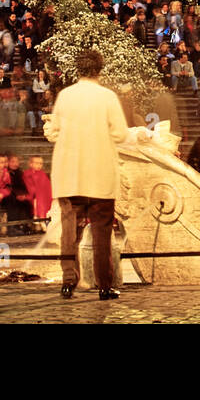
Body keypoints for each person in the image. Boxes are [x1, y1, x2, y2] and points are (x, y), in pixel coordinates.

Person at [46, 48, 128, 301]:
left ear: (78, 69)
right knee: (102, 230)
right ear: (99, 69)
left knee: (69, 231)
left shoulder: (65, 96)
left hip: (69, 172)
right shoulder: (107, 97)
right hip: (100, 172)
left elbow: (55, 130)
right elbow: (120, 134)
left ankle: (68, 282)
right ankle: (104, 285)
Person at [23, 154, 53, 226]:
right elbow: (29, 186)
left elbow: (47, 186)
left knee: (45, 203)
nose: (39, 165)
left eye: (40, 163)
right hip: (34, 196)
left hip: (44, 196)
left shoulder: (42, 174)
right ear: (31, 164)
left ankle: (44, 221)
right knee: (37, 203)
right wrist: (33, 192)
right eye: (36, 163)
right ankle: (38, 222)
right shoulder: (27, 174)